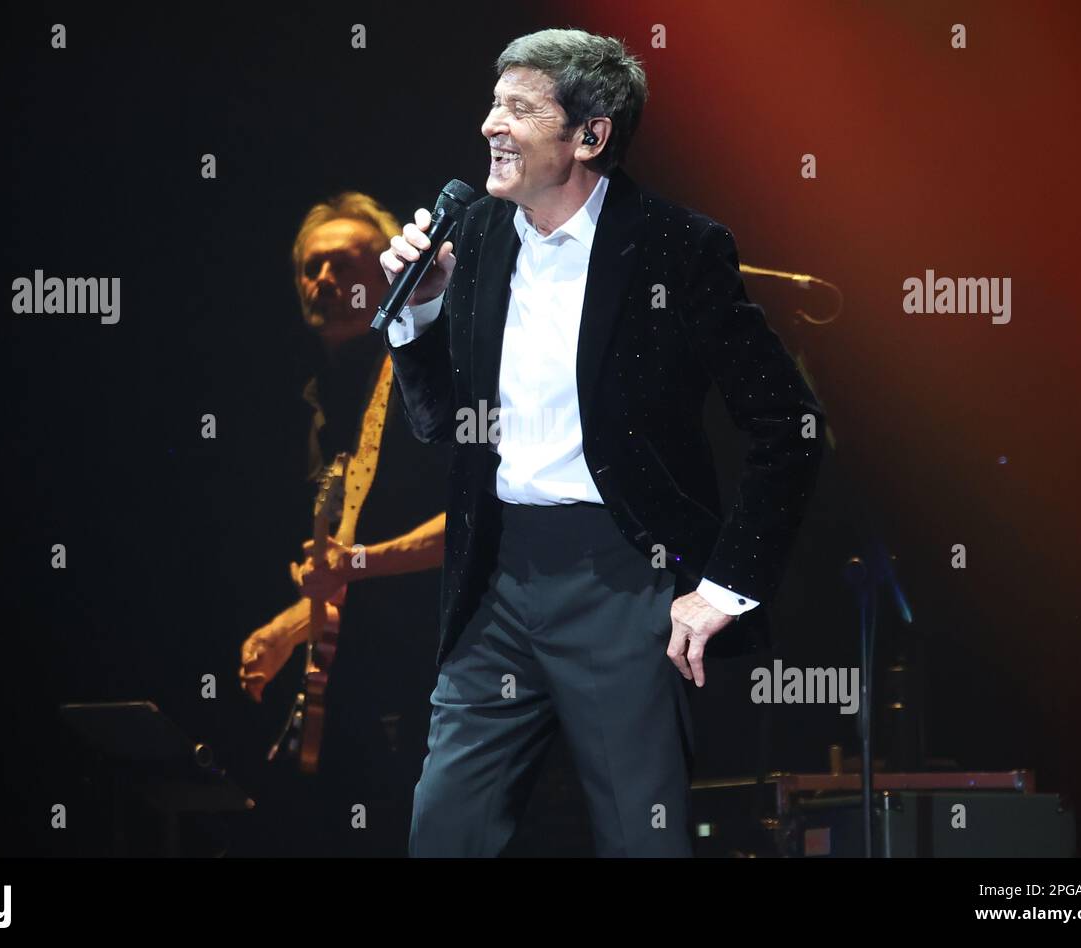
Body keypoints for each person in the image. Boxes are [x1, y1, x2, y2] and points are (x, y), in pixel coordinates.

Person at [380, 28, 826, 857]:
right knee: (445, 829)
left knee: (640, 835)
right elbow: (441, 426)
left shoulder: (676, 247)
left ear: (591, 136)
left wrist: (726, 586)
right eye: (492, 102)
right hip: (497, 578)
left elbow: (789, 428)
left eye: (519, 107)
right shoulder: (475, 235)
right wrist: (417, 316)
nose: (490, 124)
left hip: (622, 579)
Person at [239, 191, 448, 855]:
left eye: (344, 266)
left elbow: (483, 518)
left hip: (435, 682)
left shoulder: (423, 371)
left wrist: (356, 563)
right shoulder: (316, 398)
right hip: (357, 688)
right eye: (311, 267)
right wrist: (290, 622)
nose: (323, 281)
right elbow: (342, 562)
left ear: (388, 276)